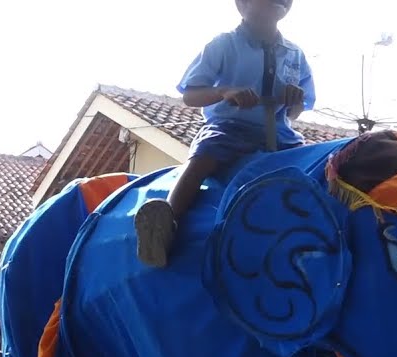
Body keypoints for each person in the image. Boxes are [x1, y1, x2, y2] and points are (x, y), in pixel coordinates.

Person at [134, 0, 315, 267]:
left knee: (315, 166)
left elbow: (296, 111)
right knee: (203, 159)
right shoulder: (223, 45)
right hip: (229, 128)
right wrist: (223, 92)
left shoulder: (295, 54)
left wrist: (294, 100)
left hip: (280, 136)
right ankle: (165, 223)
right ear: (242, 4)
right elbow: (190, 95)